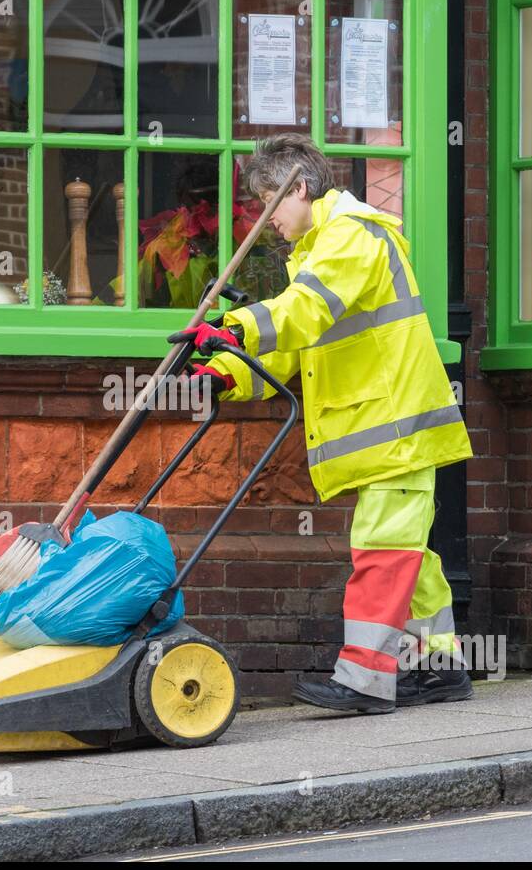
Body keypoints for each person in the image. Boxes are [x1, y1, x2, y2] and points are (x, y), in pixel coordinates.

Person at [168, 133, 474, 715]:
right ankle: (438, 668)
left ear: (299, 188)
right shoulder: (319, 250)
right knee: (410, 555)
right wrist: (228, 373)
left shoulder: (354, 235)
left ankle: (363, 679)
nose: (265, 219)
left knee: (383, 552)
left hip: (397, 429)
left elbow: (304, 312)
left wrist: (235, 327)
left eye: (267, 203)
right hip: (389, 434)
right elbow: (295, 347)